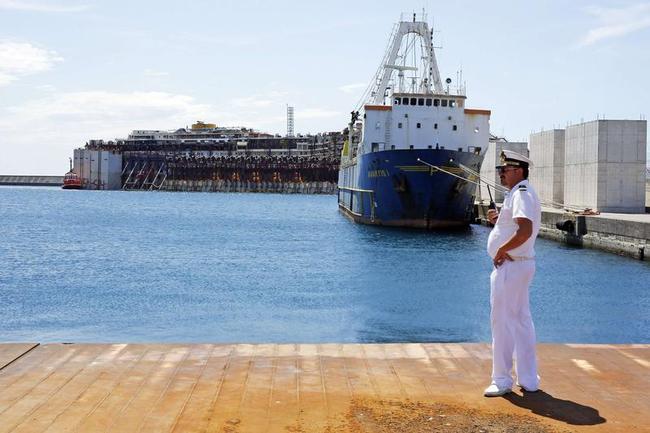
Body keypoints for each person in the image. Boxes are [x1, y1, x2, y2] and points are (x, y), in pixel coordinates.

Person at [484, 150, 542, 397]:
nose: (500, 174)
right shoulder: (520, 194)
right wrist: (497, 222)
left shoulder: (521, 194)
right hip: (520, 264)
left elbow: (525, 230)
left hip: (511, 265)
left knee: (502, 323)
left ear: (518, 171)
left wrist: (501, 250)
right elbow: (515, 227)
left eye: (504, 170)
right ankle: (529, 379)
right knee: (520, 322)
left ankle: (502, 380)